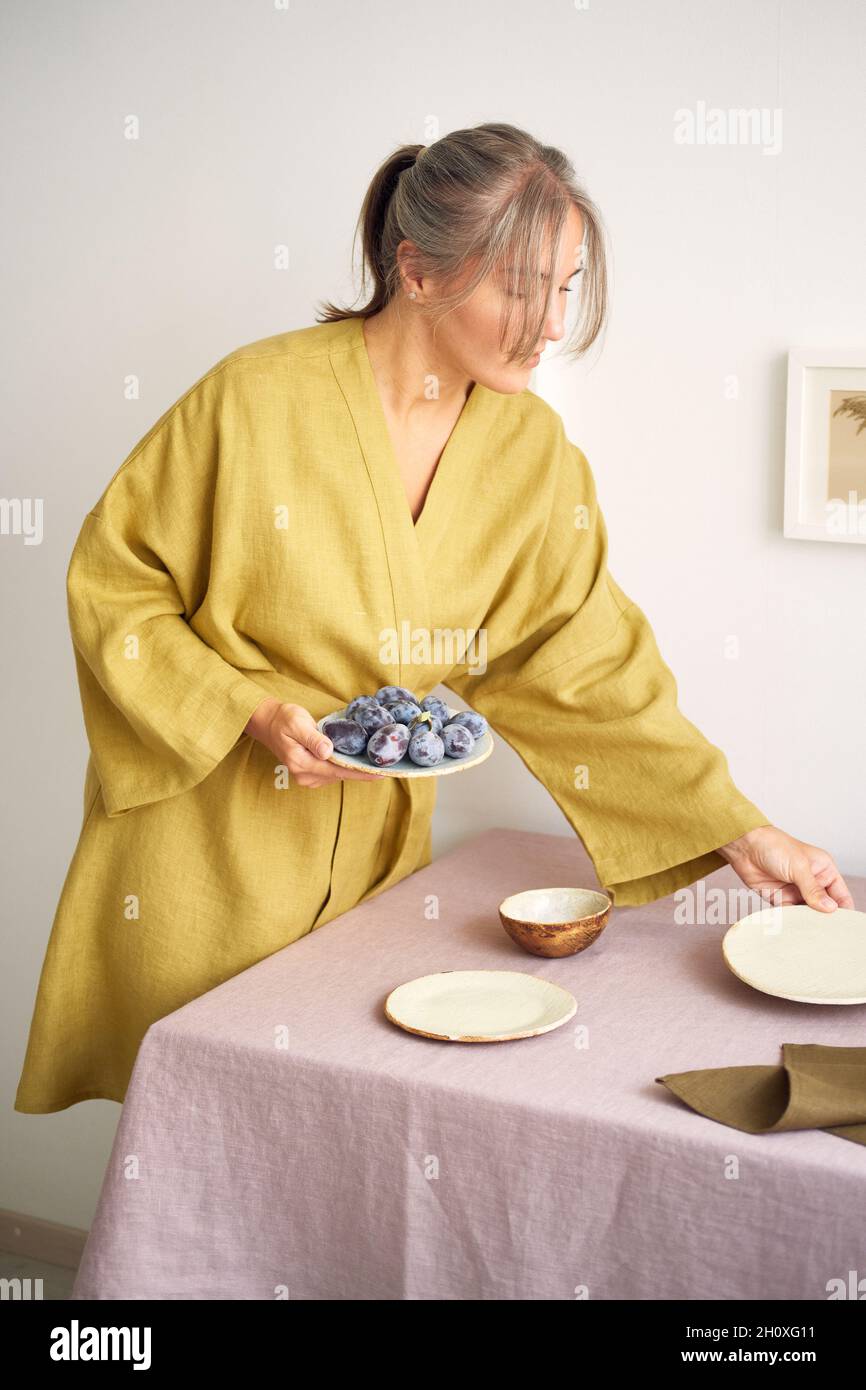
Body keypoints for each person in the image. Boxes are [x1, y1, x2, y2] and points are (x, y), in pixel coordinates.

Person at [15, 122, 852, 1115]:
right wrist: (245, 706)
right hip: (208, 852)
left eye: (566, 284)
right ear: (414, 269)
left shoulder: (532, 453)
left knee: (343, 1124)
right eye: (517, 285)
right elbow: (117, 588)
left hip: (372, 869)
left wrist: (736, 831)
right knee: (203, 1125)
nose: (546, 323)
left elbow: (581, 666)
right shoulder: (251, 399)